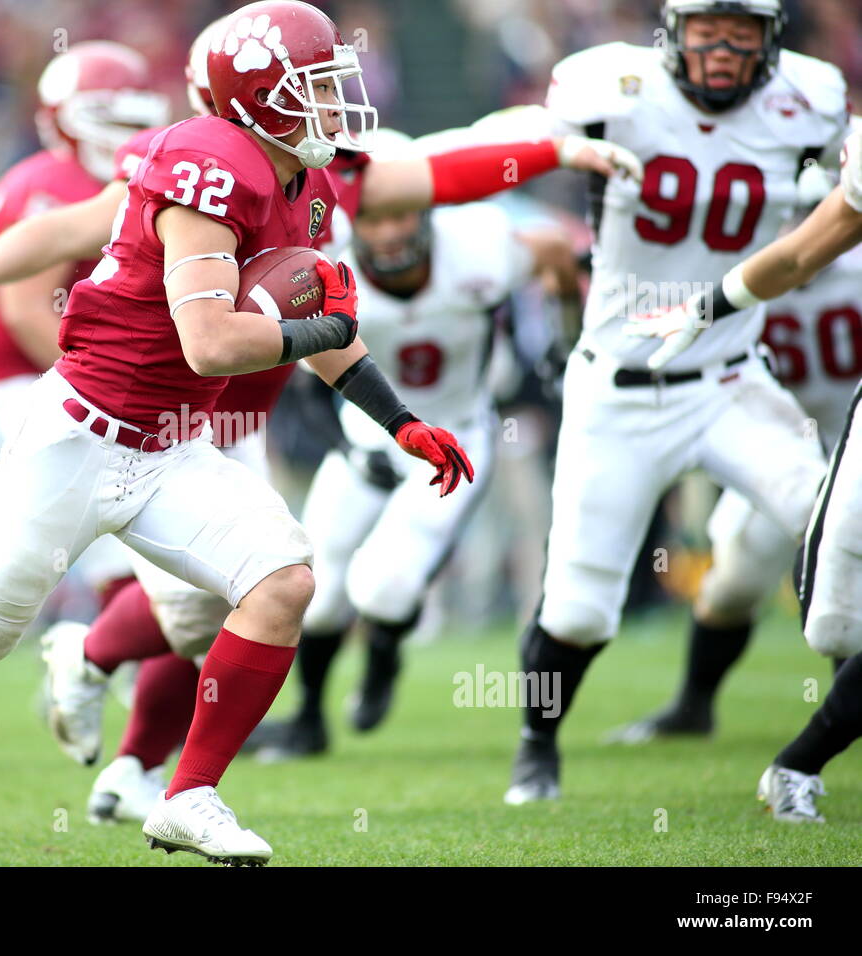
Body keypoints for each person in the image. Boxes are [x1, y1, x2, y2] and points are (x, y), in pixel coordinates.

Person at [0, 0, 477, 867]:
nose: (333, 106)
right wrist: (320, 329)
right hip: (78, 438)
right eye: (315, 89)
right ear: (262, 98)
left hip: (172, 448)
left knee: (282, 583)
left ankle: (188, 793)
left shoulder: (306, 186)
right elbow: (211, 345)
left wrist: (402, 422)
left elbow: (322, 328)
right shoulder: (207, 167)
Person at [494, 0, 850, 805]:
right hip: (618, 384)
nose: (724, 50)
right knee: (581, 607)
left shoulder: (812, 96)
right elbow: (521, 141)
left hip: (733, 377)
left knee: (834, 538)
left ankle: (824, 737)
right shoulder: (609, 87)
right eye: (707, 32)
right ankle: (536, 749)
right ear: (673, 35)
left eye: (743, 34)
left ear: (771, 40)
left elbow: (842, 185)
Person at [252, 130, 582, 760]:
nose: (391, 232)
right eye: (375, 217)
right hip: (365, 443)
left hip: (456, 441)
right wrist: (348, 450)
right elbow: (303, 386)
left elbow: (556, 252)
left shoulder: (480, 248)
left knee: (384, 586)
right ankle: (309, 719)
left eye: (403, 212)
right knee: (309, 589)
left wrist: (567, 346)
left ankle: (382, 660)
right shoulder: (321, 265)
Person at [0, 40, 168, 770]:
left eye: (135, 112)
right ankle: (106, 685)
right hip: (8, 391)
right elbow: (24, 313)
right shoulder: (54, 182)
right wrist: (120, 388)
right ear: (62, 119)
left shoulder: (68, 176)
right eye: (107, 113)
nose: (126, 126)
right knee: (123, 535)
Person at [628, 124, 862, 821]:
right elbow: (791, 256)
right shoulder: (778, 252)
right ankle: (696, 707)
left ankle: (802, 762)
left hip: (826, 443)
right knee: (822, 620)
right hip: (791, 440)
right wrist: (703, 307)